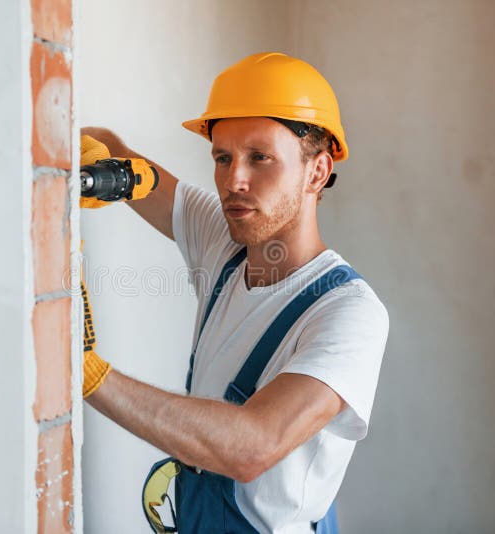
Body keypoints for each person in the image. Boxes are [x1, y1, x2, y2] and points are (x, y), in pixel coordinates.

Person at [80, 52, 389, 533]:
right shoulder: (224, 240)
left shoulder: (349, 314)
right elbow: (118, 155)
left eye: (259, 158)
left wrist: (87, 373)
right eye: (222, 157)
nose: (233, 181)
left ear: (317, 170)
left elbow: (253, 448)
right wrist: (95, 164)